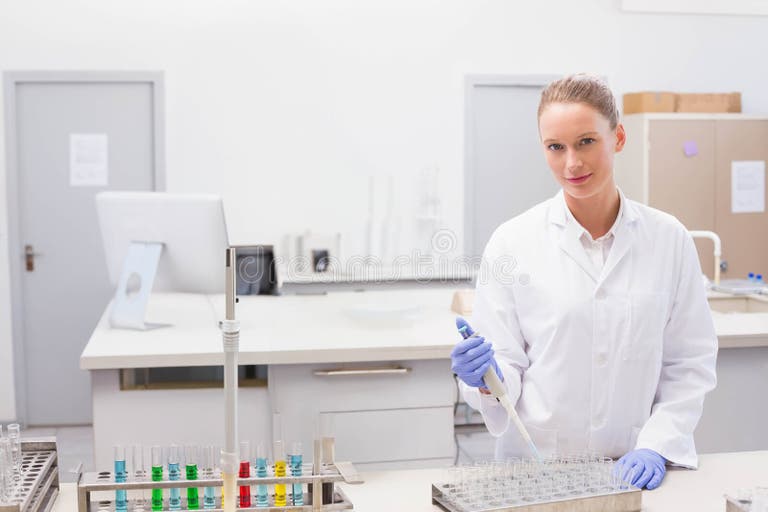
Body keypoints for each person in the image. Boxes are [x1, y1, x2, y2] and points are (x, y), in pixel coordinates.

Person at [451, 74, 718, 490]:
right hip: (537, 470)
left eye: (586, 142)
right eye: (556, 147)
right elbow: (507, 362)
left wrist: (658, 445)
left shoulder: (669, 239)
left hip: (632, 470)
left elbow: (688, 363)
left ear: (619, 138)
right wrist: (487, 376)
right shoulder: (512, 241)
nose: (571, 163)